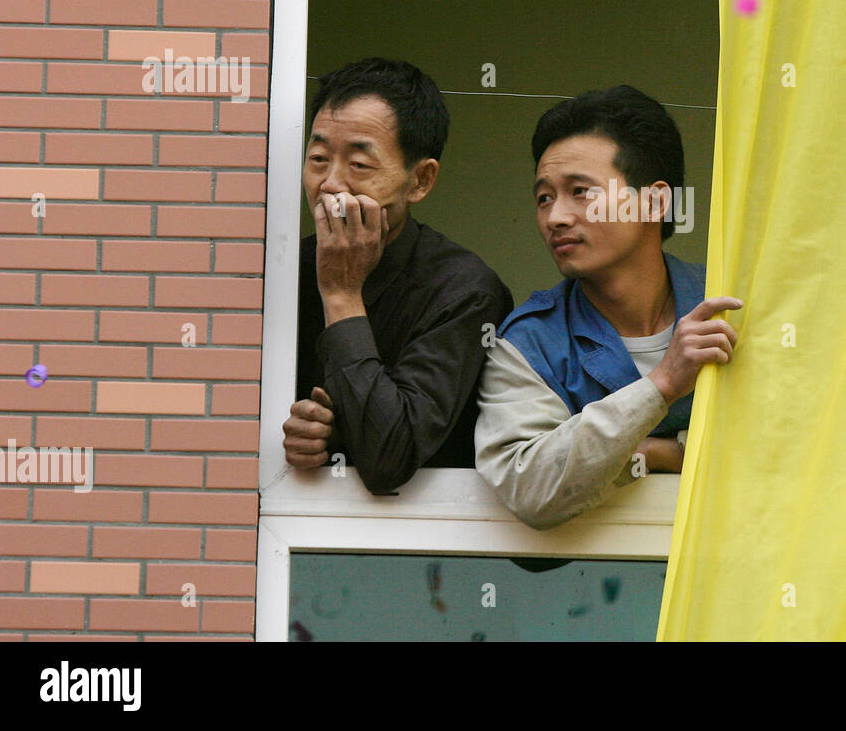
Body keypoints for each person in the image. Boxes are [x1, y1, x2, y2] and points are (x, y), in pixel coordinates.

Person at [474, 85, 742, 529]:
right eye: (544, 198)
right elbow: (529, 487)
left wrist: (660, 451)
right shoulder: (528, 341)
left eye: (580, 191)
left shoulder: (731, 308)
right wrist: (661, 387)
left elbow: (797, 446)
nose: (555, 217)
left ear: (654, 201)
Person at [284, 58, 513, 493]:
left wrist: (342, 294)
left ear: (420, 180)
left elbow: (389, 459)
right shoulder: (280, 272)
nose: (330, 184)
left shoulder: (465, 291)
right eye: (318, 159)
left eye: (359, 164)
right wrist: (309, 435)